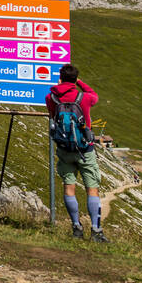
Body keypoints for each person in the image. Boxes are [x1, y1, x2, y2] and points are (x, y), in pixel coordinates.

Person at [46, 64, 107, 242]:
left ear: (61, 78)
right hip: (85, 149)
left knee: (69, 187)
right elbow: (94, 95)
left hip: (64, 149)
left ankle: (76, 228)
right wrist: (80, 83)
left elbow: (52, 115)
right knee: (92, 188)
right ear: (75, 79)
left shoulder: (51, 98)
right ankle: (96, 230)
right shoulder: (85, 97)